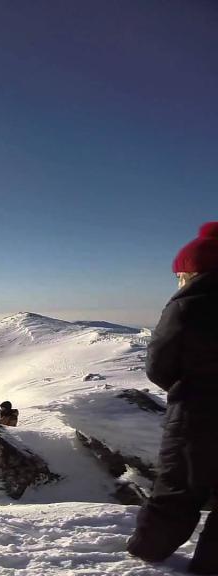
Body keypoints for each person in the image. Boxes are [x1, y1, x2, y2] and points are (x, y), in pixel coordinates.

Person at [127, 222, 218, 574]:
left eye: (180, 274)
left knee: (177, 487)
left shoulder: (188, 305)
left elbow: (160, 365)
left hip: (196, 414)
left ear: (193, 270)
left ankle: (147, 552)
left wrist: (186, 390)